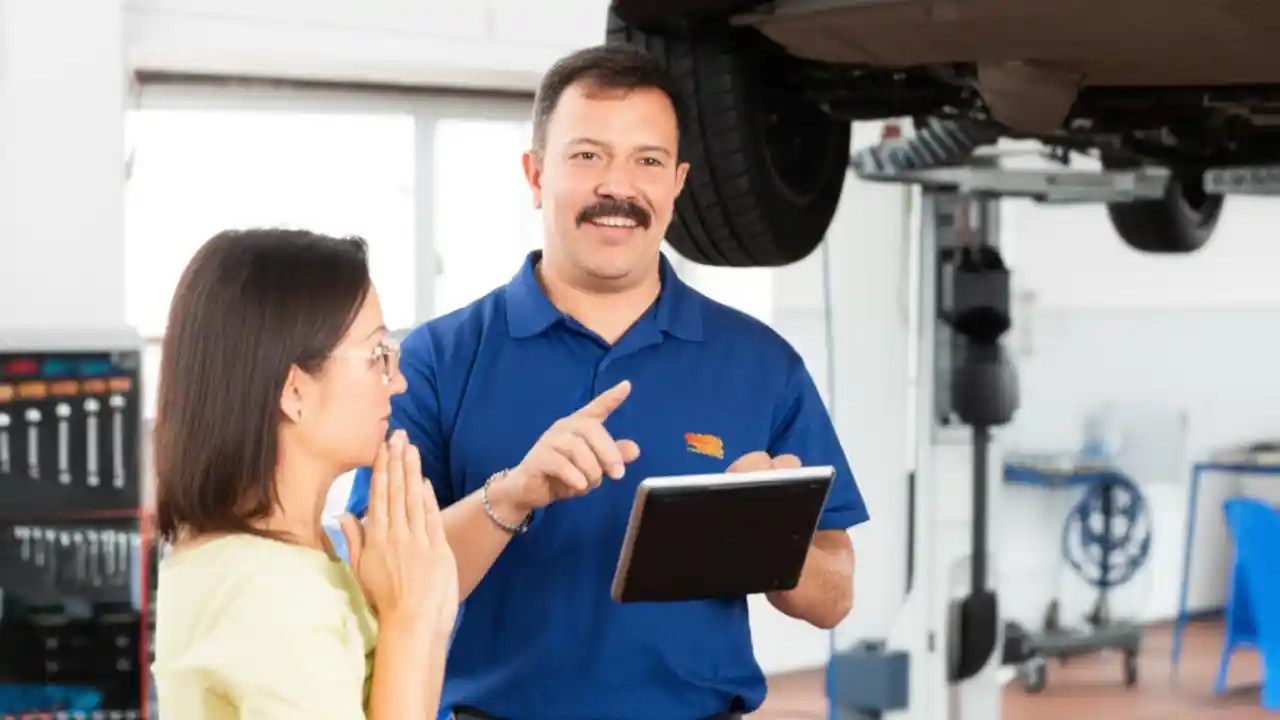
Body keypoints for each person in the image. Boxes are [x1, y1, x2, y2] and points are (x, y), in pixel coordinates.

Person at [345, 44, 870, 719]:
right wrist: (513, 495)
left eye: (647, 161)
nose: (617, 187)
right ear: (536, 175)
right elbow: (374, 583)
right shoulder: (435, 361)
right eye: (587, 155)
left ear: (678, 184)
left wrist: (767, 542)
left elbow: (835, 598)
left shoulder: (763, 365)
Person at [150, 228, 459, 719]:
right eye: (378, 355)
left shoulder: (286, 564)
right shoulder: (271, 593)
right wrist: (410, 623)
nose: (397, 380)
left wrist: (425, 618)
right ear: (294, 391)